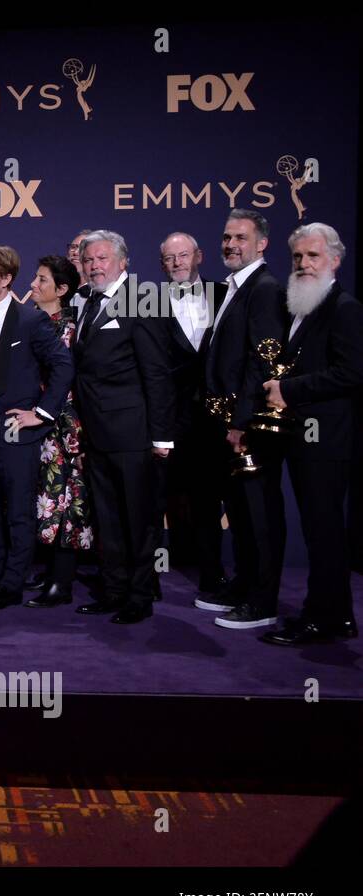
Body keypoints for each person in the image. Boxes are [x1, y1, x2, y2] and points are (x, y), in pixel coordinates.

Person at [260, 224, 363, 645]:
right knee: (318, 528)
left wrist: (288, 390)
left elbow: (351, 373)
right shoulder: (303, 306)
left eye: (313, 256)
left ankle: (324, 618)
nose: (303, 264)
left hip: (327, 439)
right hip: (305, 436)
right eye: (298, 257)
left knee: (323, 531)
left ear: (335, 260)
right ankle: (333, 615)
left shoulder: (343, 307)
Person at [73, 231, 175, 624]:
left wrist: (162, 435)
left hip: (134, 433)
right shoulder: (87, 301)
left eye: (102, 258)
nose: (94, 265)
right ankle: (113, 590)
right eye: (89, 260)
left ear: (123, 262)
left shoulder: (143, 297)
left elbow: (158, 373)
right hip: (96, 431)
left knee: (137, 519)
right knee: (108, 518)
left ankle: (139, 594)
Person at [0, 245, 73, 611]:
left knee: (18, 512)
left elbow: (63, 366)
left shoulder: (29, 320)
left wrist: (41, 413)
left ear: (6, 279)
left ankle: (12, 583)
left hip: (14, 430)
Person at [201, 210, 287, 629]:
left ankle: (263, 601)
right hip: (228, 423)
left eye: (240, 237)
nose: (231, 244)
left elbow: (263, 359)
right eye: (226, 237)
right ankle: (245, 584)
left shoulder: (265, 288)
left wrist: (241, 421)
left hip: (249, 426)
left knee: (259, 514)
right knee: (240, 510)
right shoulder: (235, 287)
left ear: (262, 244)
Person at [158, 232, 227, 601]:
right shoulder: (146, 300)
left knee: (208, 499)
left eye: (183, 255)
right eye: (170, 258)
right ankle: (147, 579)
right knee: (153, 498)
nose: (177, 263)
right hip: (167, 416)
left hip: (215, 416)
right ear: (161, 263)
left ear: (198, 255)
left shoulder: (224, 293)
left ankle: (213, 575)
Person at [23, 255, 92, 607]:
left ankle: (62, 583)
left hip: (63, 427)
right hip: (44, 426)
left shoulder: (67, 326)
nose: (33, 285)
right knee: (49, 499)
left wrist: (43, 413)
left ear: (62, 290)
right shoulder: (40, 322)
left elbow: (62, 381)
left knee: (66, 501)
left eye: (41, 280)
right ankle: (51, 573)